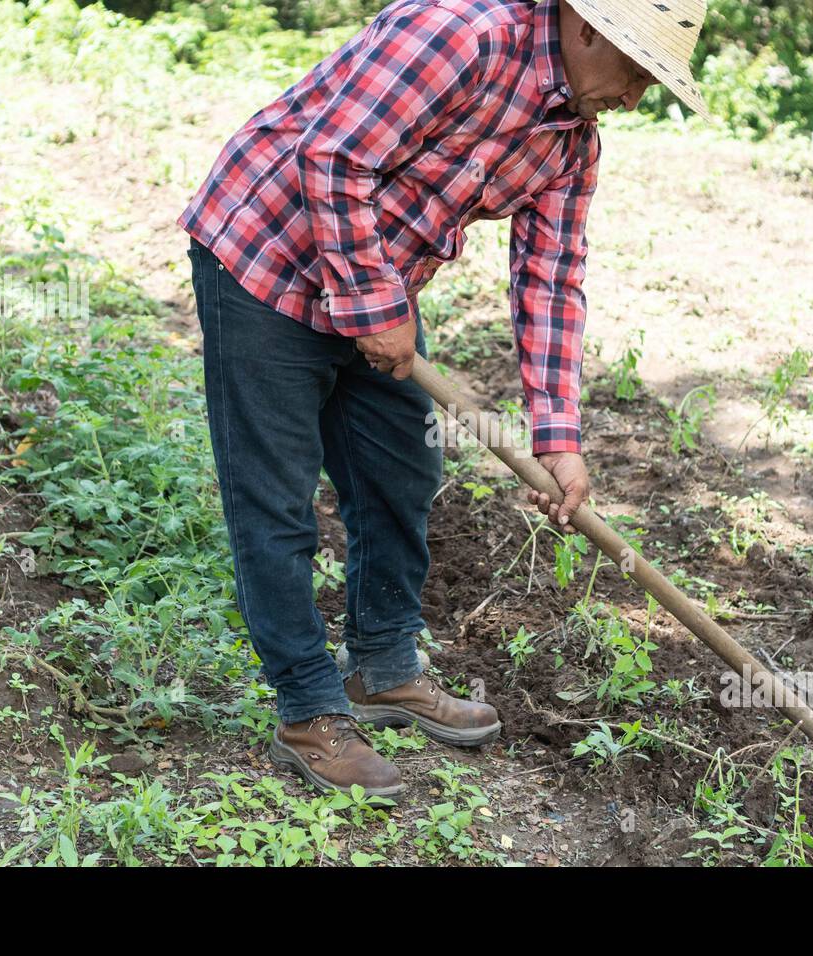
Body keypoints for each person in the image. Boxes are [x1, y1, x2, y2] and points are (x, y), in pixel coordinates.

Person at [179, 0, 710, 796]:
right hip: (265, 257)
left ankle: (384, 667)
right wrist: (373, 303)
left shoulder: (571, 143)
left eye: (653, 83)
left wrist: (557, 437)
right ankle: (309, 712)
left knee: (400, 471)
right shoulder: (459, 36)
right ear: (590, 28)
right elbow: (331, 157)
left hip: (376, 284)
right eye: (637, 71)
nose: (635, 98)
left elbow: (551, 280)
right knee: (277, 500)